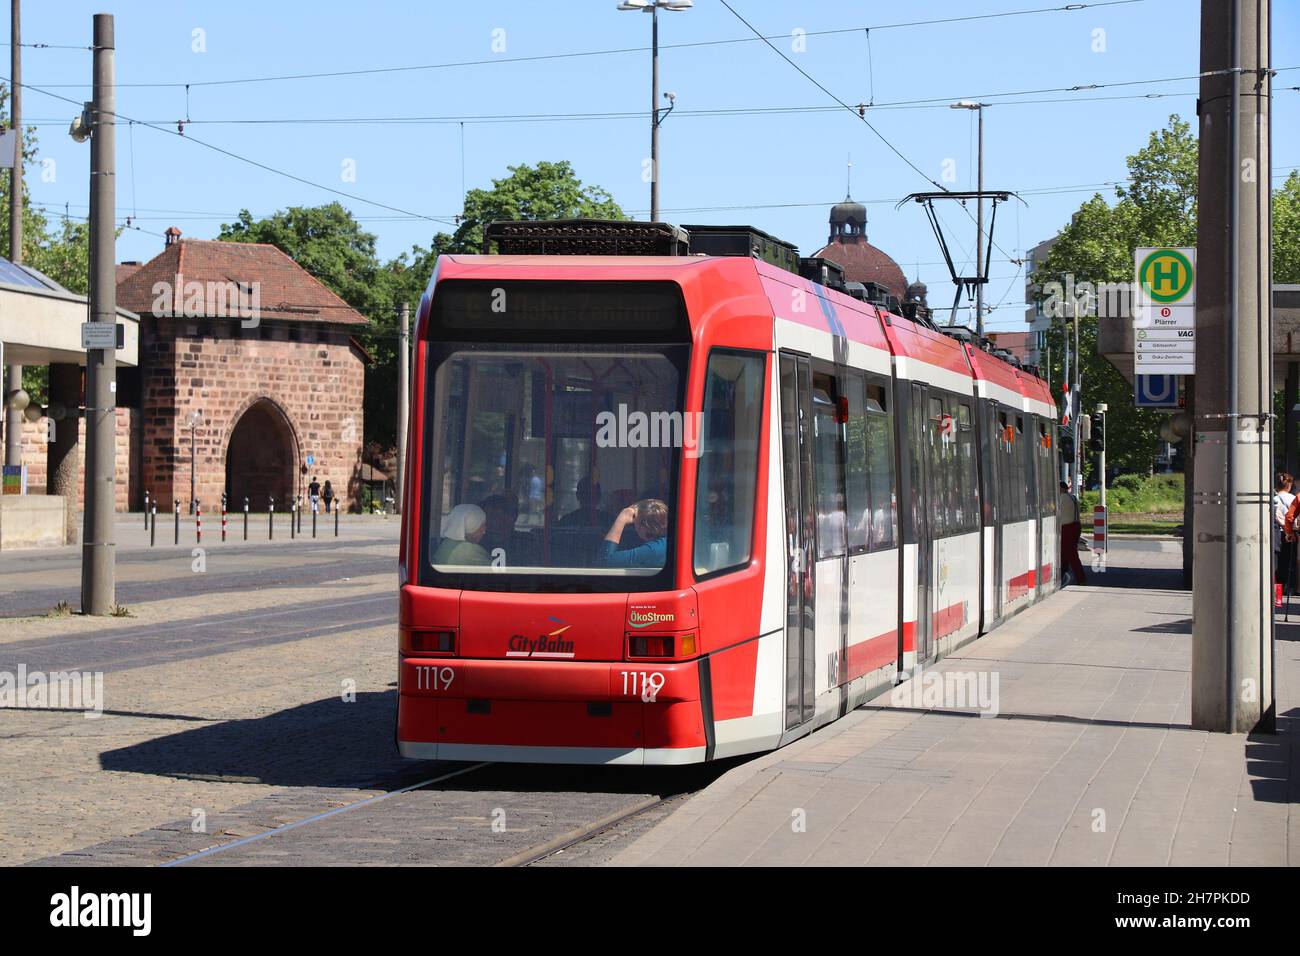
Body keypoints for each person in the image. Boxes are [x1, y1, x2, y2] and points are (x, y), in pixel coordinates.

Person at [598, 499, 668, 569]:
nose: (635, 528)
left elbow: (604, 561)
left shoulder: (654, 550)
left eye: (635, 522)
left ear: (643, 526)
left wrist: (621, 519)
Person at [1058, 481, 1088, 586]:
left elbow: (1054, 510)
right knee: (1064, 553)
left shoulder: (1062, 498)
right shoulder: (1074, 498)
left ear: (1060, 489)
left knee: (1070, 554)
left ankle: (1081, 578)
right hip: (1076, 525)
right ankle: (1061, 574)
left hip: (1067, 527)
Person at [1274, 472, 1296, 604]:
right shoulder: (1293, 498)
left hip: (1277, 533)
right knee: (1288, 563)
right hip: (1290, 533)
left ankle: (1278, 597)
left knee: (1277, 565)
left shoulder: (1274, 498)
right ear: (1289, 485)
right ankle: (1289, 589)